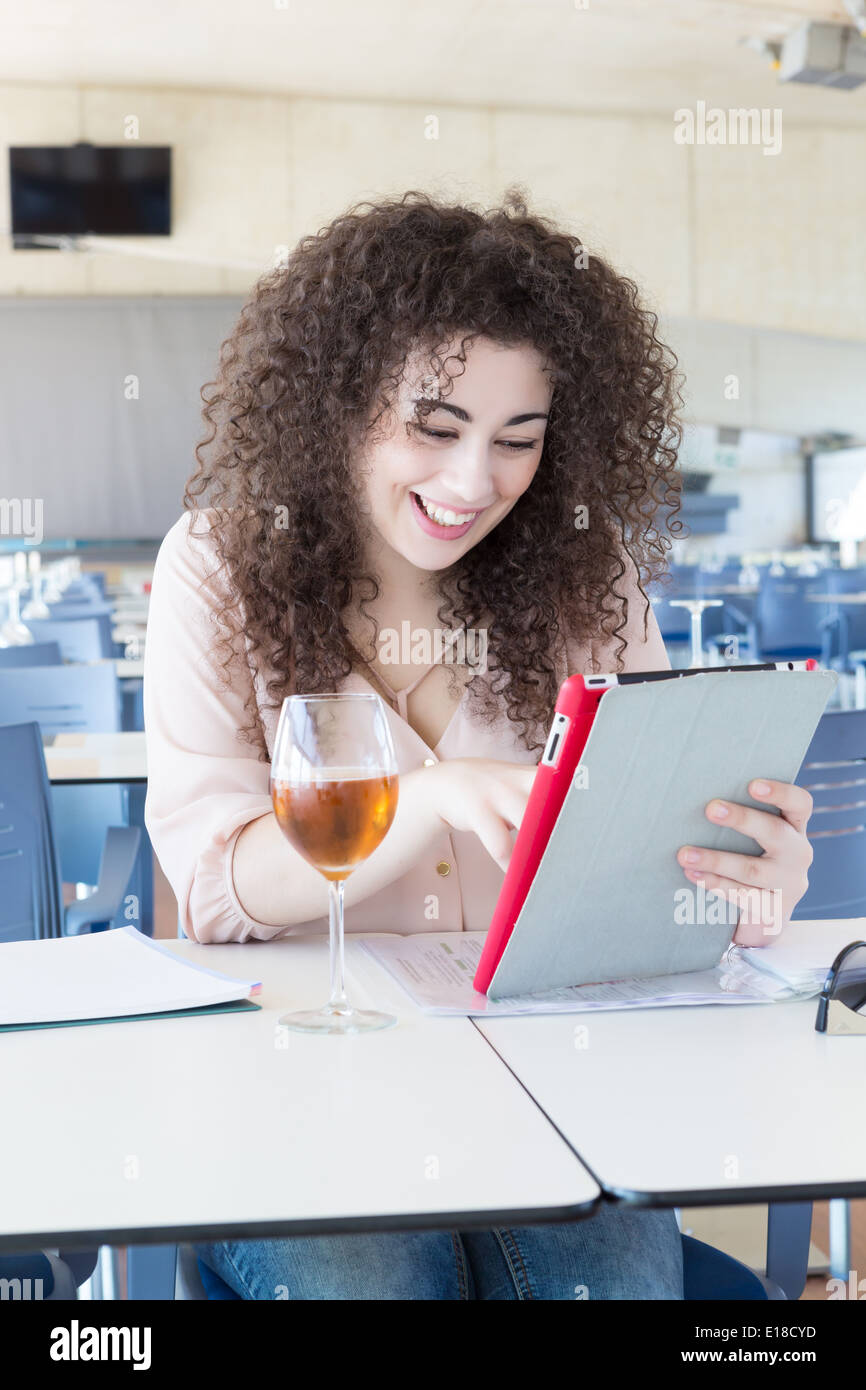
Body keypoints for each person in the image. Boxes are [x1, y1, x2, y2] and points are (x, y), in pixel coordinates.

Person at [143, 190, 814, 1299]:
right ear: (338, 401)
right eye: (434, 427)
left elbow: (660, 863)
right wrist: (431, 795)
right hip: (308, 1081)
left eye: (517, 441)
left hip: (556, 1085)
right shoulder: (219, 567)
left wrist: (746, 882)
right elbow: (217, 890)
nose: (471, 483)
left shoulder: (583, 587)